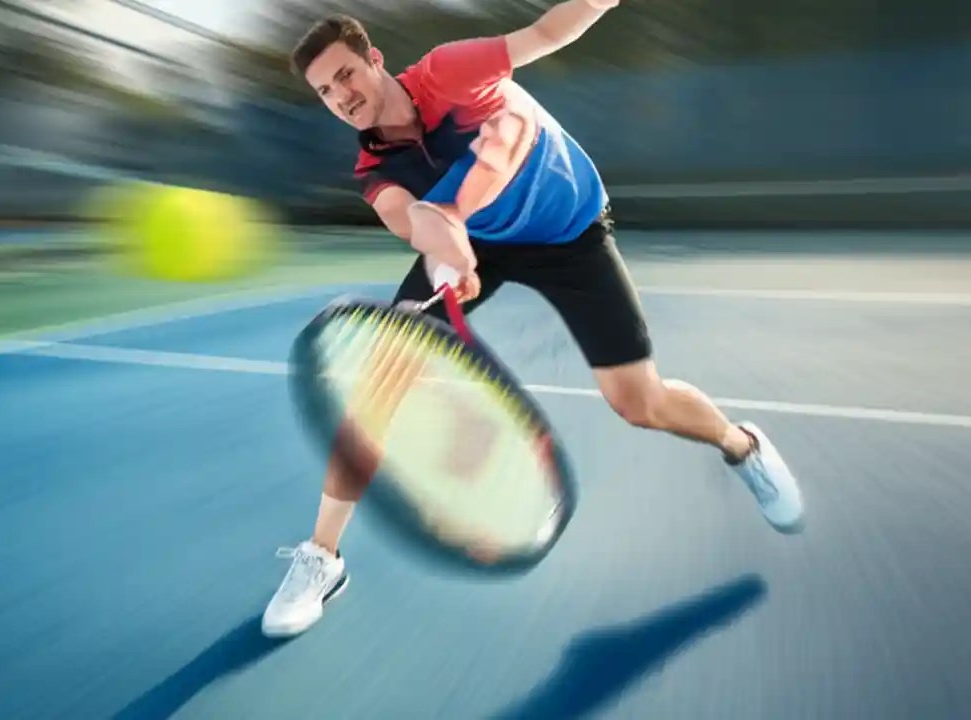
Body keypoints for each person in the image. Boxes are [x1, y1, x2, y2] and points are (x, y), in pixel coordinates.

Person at [262, 1, 804, 639]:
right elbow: (414, 222)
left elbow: (545, 36)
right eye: (325, 91)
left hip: (570, 229)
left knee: (638, 400)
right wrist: (450, 251)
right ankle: (322, 558)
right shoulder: (375, 169)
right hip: (482, 243)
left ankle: (742, 447)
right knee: (380, 382)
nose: (340, 96)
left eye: (346, 75)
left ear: (374, 59)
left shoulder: (448, 73)